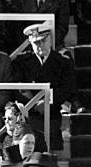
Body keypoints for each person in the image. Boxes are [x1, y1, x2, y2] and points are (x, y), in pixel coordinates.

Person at [12, 22, 76, 151]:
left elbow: (67, 87)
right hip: (29, 108)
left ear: (50, 40)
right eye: (36, 43)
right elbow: (17, 87)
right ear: (31, 43)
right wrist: (34, 103)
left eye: (43, 41)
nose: (40, 45)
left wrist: (47, 101)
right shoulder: (22, 62)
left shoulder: (62, 61)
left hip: (52, 108)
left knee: (52, 130)